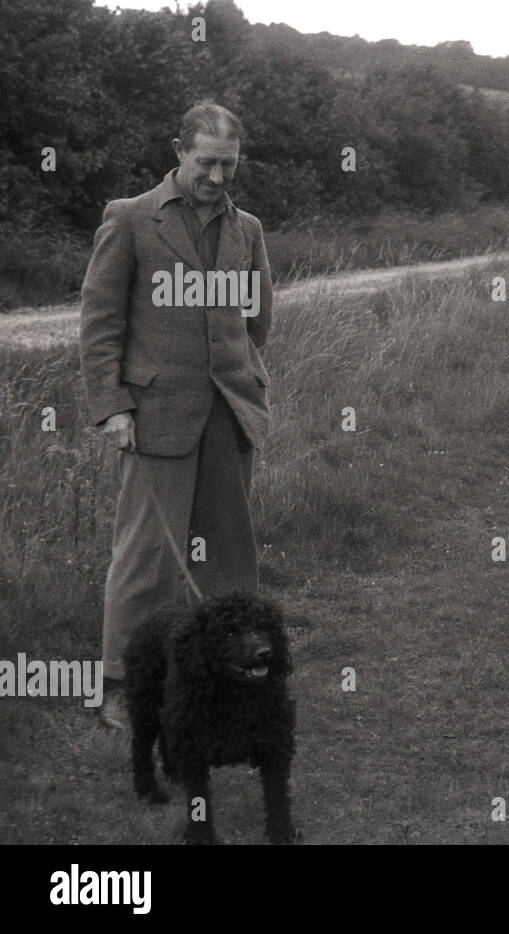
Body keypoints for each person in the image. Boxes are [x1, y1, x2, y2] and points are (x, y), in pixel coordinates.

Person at [80, 102, 273, 728]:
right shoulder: (131, 219)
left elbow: (257, 321)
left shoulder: (248, 228)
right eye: (206, 163)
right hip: (155, 414)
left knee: (227, 552)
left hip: (228, 415)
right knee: (146, 557)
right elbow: (101, 322)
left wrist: (242, 381)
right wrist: (112, 405)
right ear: (178, 151)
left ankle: (221, 673)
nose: (218, 177)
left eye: (229, 165)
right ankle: (121, 685)